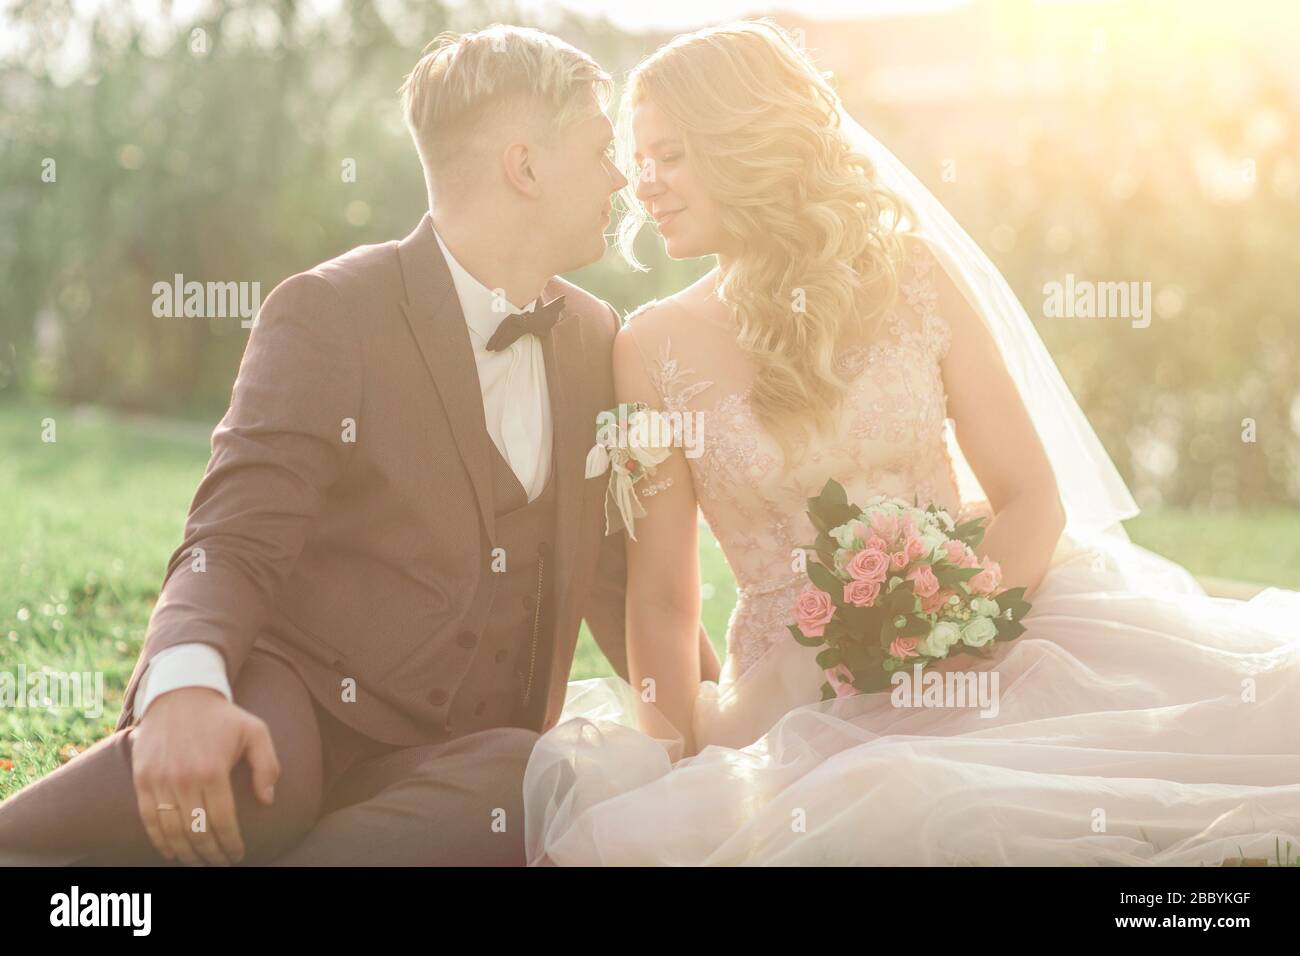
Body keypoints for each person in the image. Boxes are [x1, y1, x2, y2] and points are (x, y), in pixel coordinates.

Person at [521, 19, 1300, 866]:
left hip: (997, 630)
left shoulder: (915, 275)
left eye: (668, 156)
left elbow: (1031, 496)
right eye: (639, 161)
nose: (647, 186)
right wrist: (680, 769)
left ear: (743, 145)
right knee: (921, 812)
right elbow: (662, 603)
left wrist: (954, 625)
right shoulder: (652, 348)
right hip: (797, 697)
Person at [0, 25, 718, 867]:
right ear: (524, 168)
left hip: (465, 753)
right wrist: (184, 689)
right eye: (602, 150)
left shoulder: (597, 340)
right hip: (296, 701)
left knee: (539, 786)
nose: (622, 178)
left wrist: (726, 737)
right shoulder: (331, 311)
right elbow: (230, 538)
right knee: (252, 784)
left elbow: (619, 581)